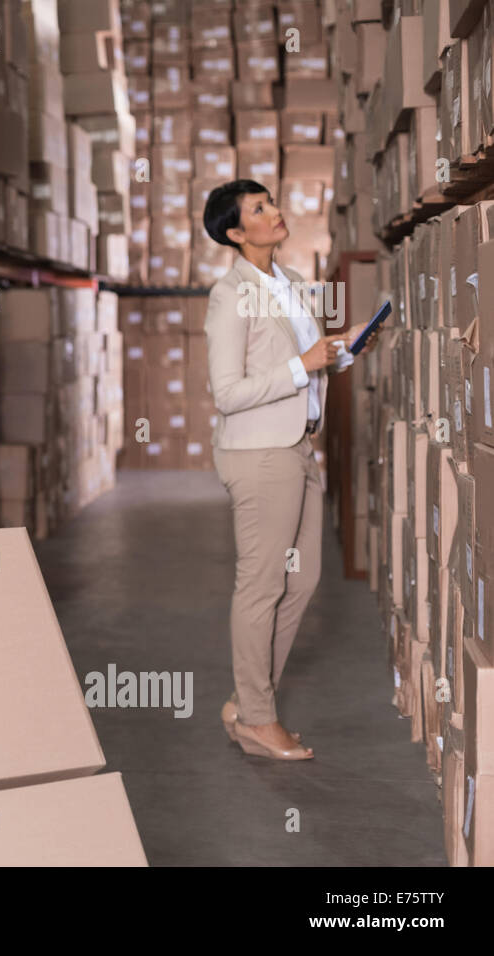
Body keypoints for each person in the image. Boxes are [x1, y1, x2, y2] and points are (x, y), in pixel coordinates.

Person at [201, 179, 377, 761]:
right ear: (235, 232)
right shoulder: (230, 295)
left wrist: (342, 351)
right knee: (262, 585)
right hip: (259, 455)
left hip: (300, 448)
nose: (275, 212)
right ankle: (256, 716)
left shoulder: (293, 284)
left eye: (271, 201)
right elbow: (227, 393)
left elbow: (309, 366)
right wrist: (303, 364)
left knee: (301, 582)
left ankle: (248, 702)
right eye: (258, 209)